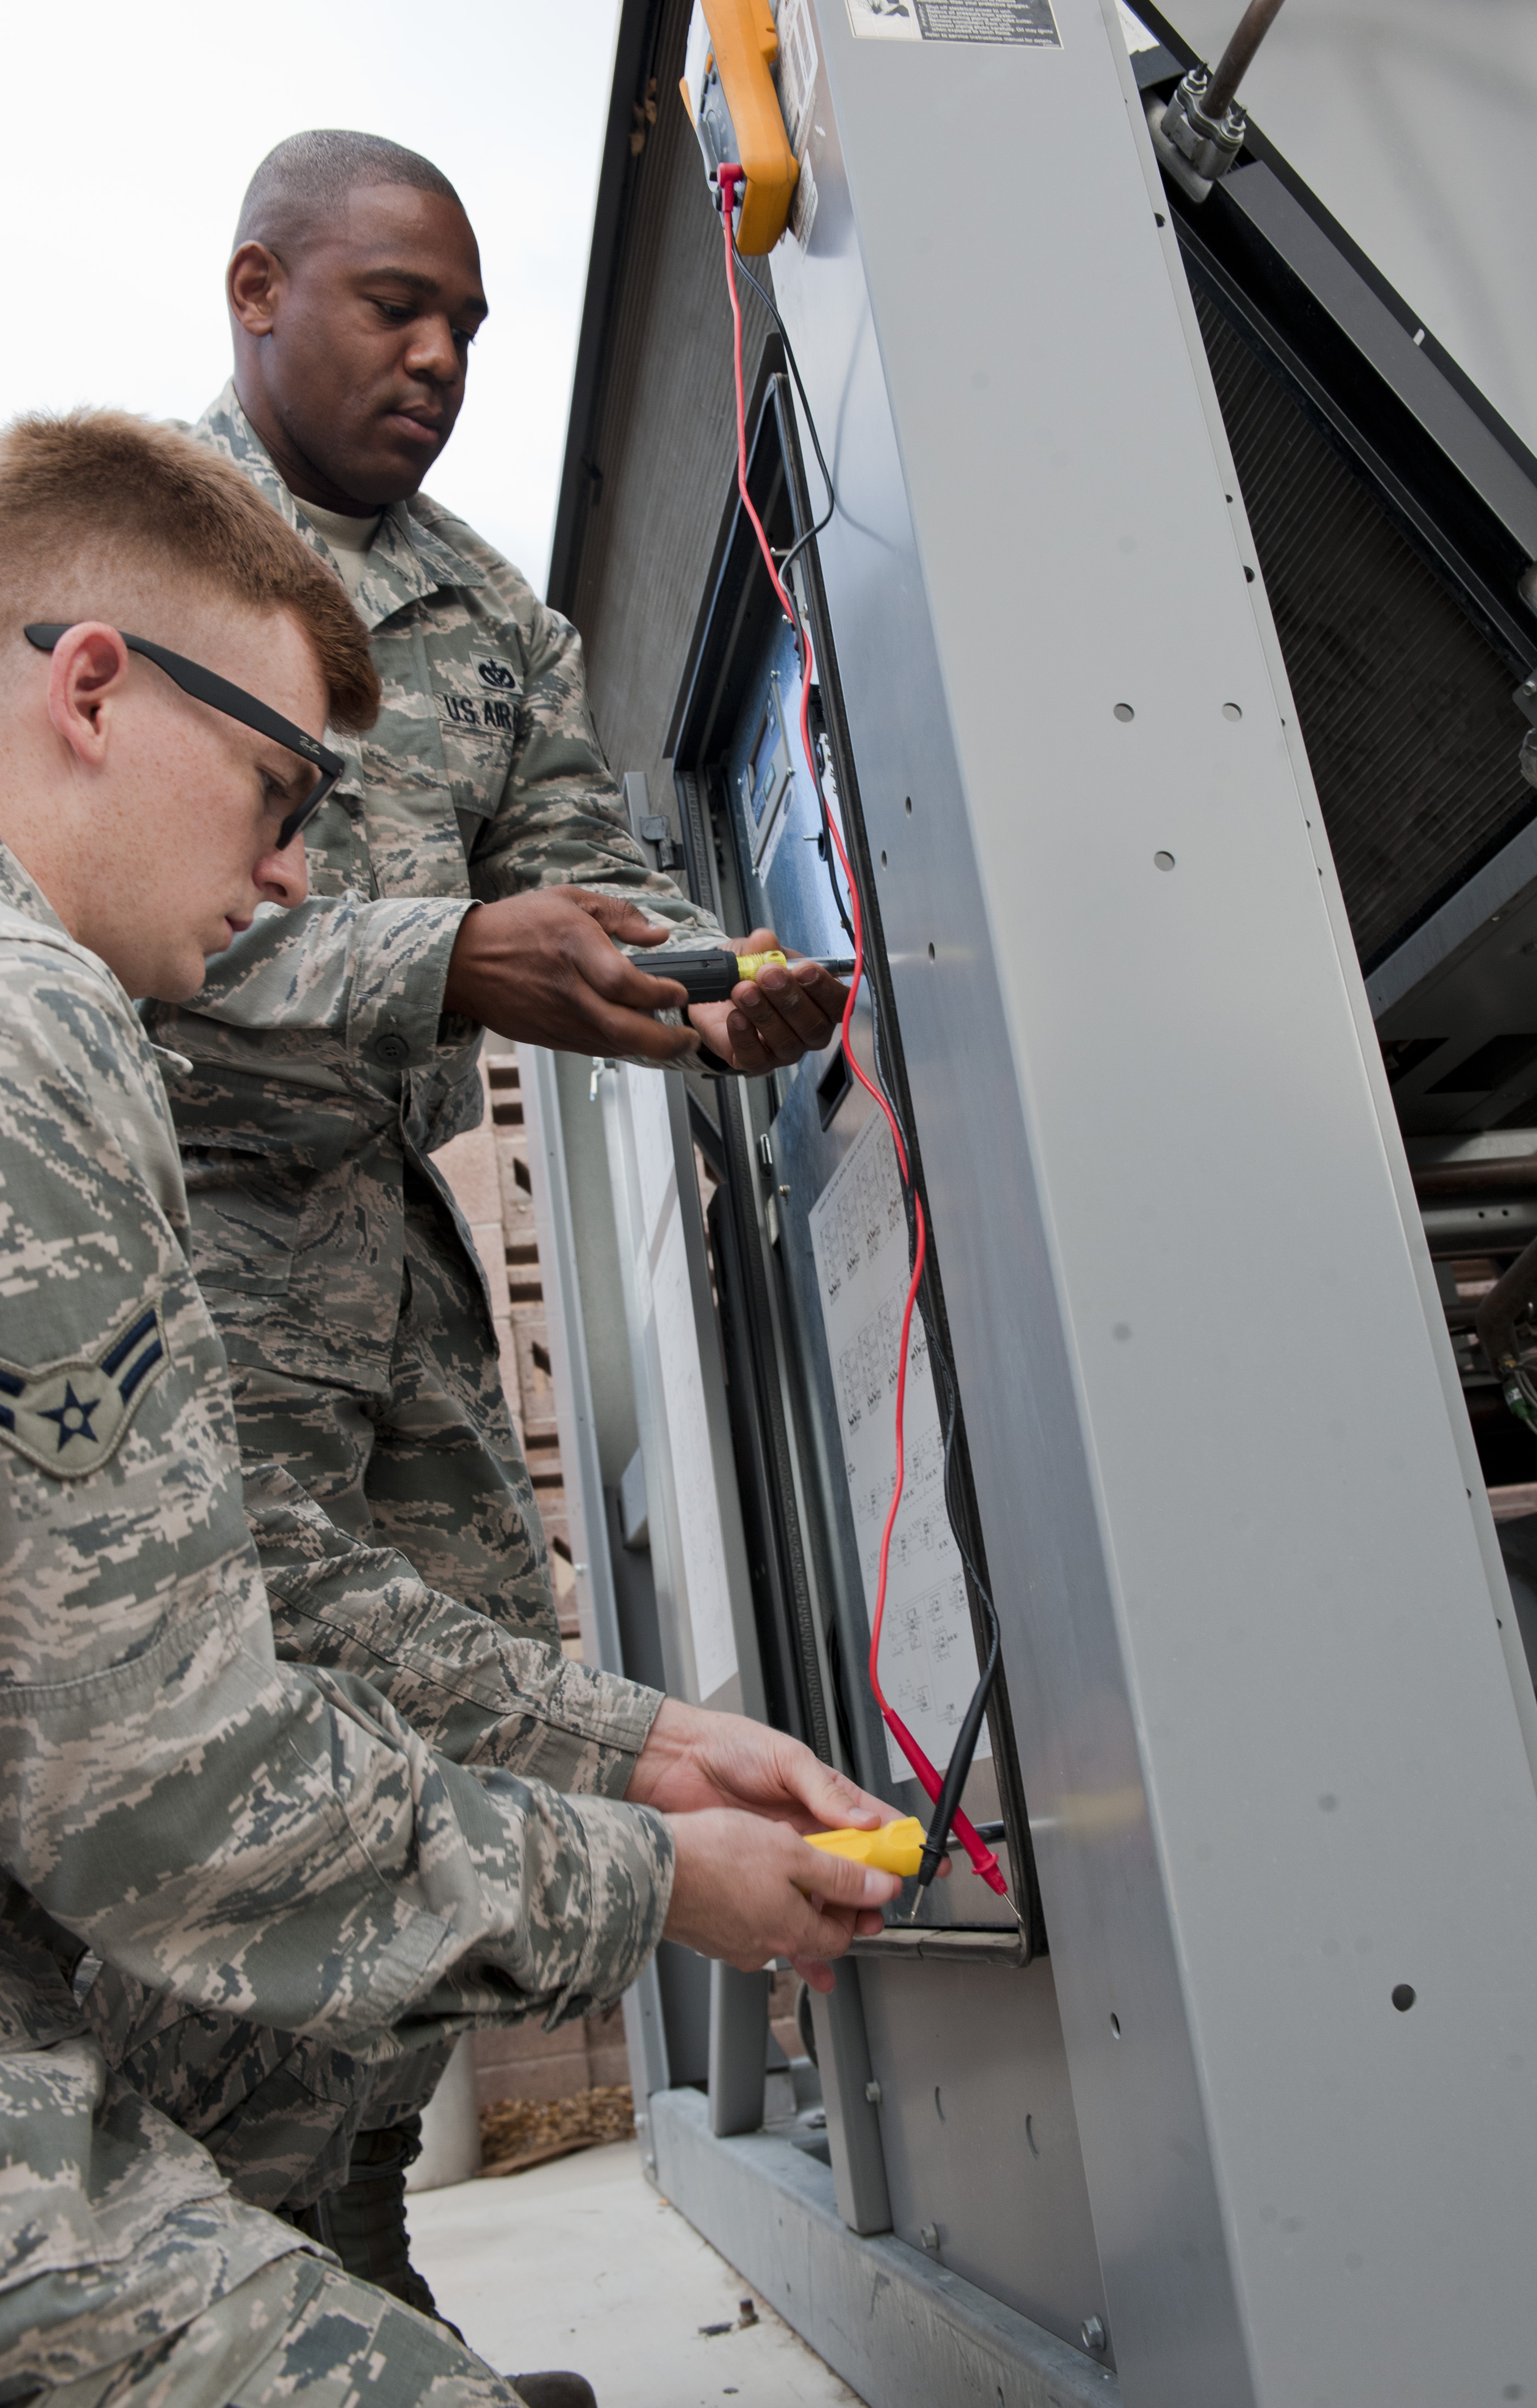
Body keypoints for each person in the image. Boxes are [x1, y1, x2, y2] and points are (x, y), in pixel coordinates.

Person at [0, 407, 900, 2408]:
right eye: (278, 786)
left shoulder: (493, 614)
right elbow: (179, 1805)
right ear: (90, 690)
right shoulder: (40, 1034)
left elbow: (243, 1587)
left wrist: (647, 1747)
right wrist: (663, 1883)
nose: (296, 864)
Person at [135, 126, 856, 2286]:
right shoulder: (122, 558)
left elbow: (579, 863)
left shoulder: (490, 614)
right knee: (244, 1788)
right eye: (395, 307)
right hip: (163, 1250)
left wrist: (702, 982)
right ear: (258, 290)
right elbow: (98, 935)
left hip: (396, 1268)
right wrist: (441, 958)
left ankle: (372, 2288)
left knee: (463, 1732)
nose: (442, 356)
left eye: (469, 322)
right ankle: (232, 2307)